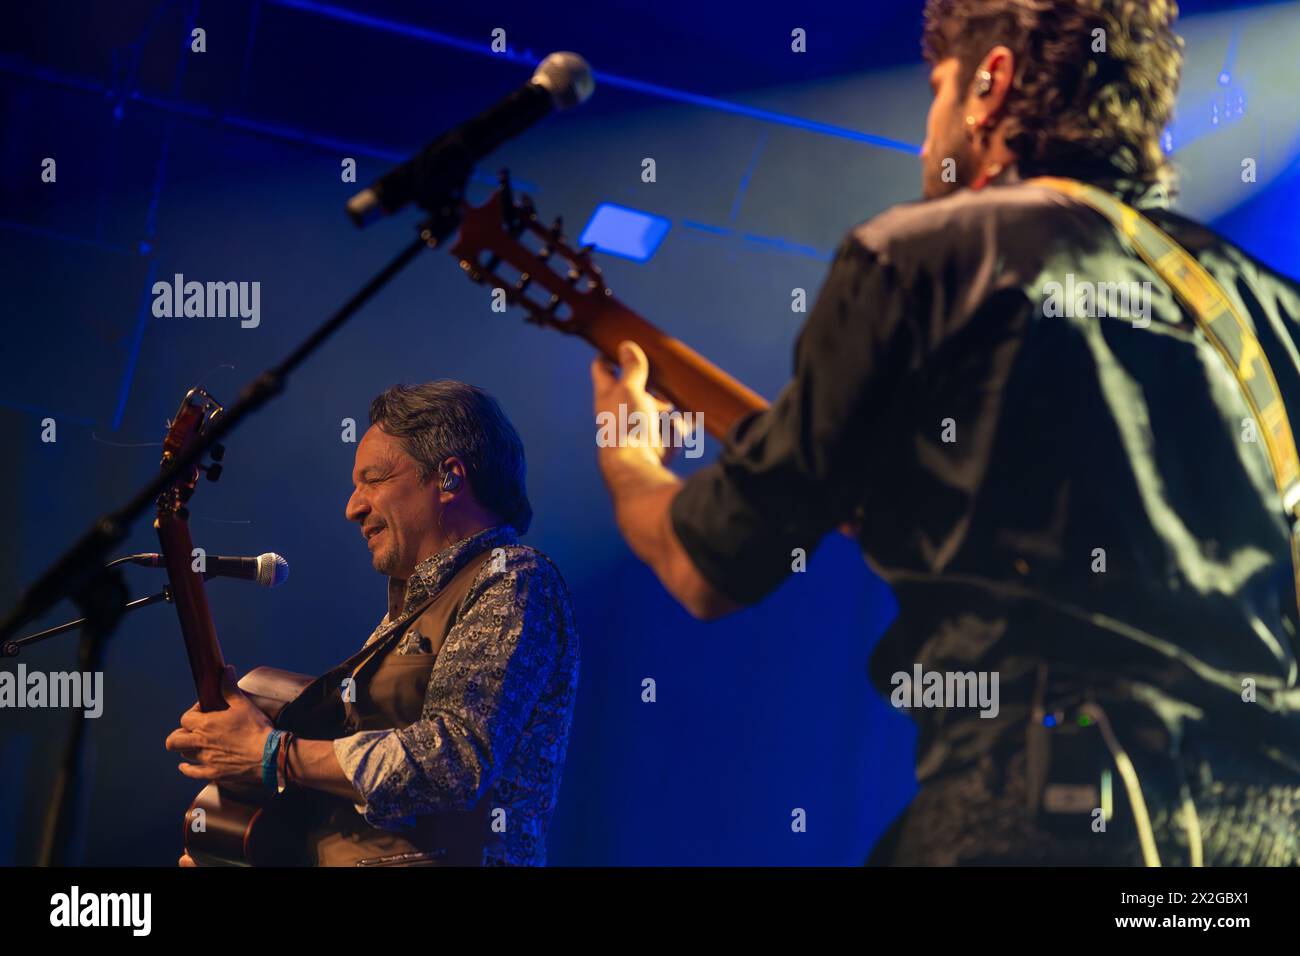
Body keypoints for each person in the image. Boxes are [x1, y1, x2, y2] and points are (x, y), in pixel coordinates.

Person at [590, 0, 1300, 865]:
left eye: (937, 92)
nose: (925, 143)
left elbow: (707, 567)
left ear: (988, 86)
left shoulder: (919, 255)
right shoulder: (1271, 309)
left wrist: (629, 459)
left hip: (1041, 806)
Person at [167, 381, 579, 866]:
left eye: (374, 479)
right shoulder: (410, 613)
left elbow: (454, 762)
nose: (352, 506)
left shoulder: (513, 577)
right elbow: (356, 806)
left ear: (449, 478)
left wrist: (273, 753)